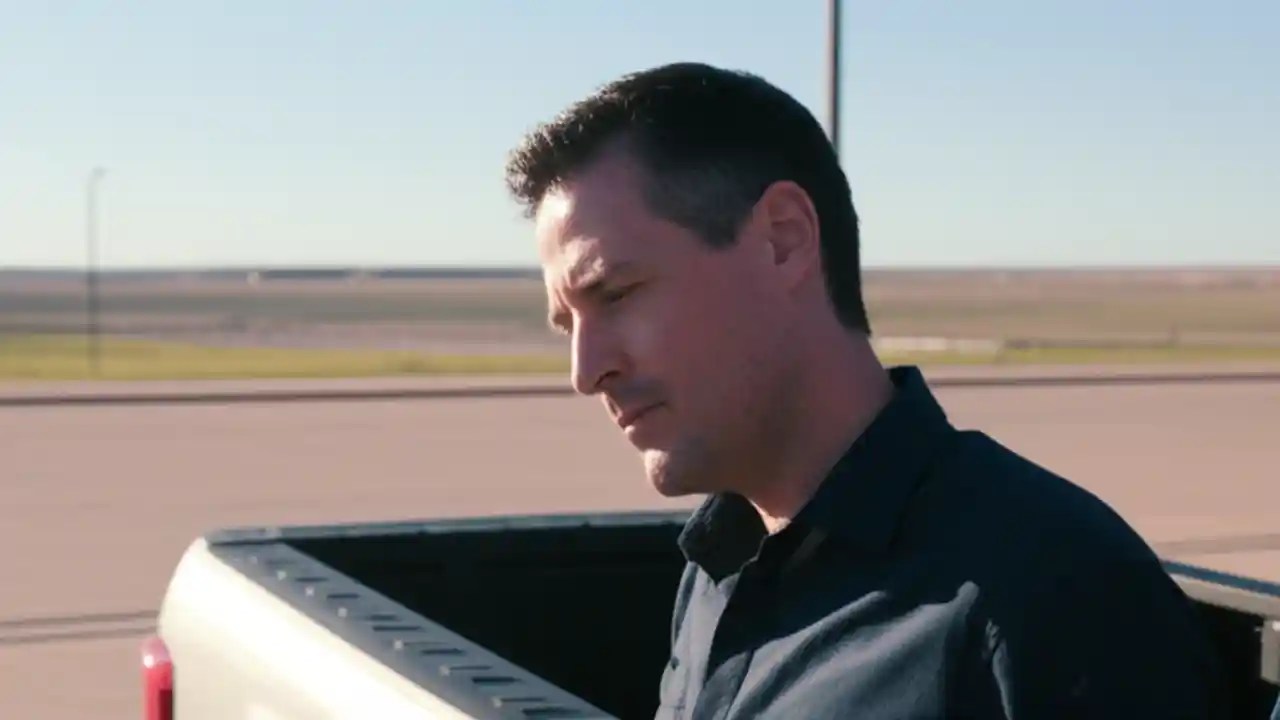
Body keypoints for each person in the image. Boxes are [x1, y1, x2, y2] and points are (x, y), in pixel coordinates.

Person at [504, 62, 1225, 719]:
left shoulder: (1049, 600)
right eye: (566, 323)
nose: (584, 369)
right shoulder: (718, 569)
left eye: (618, 293)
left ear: (783, 240)